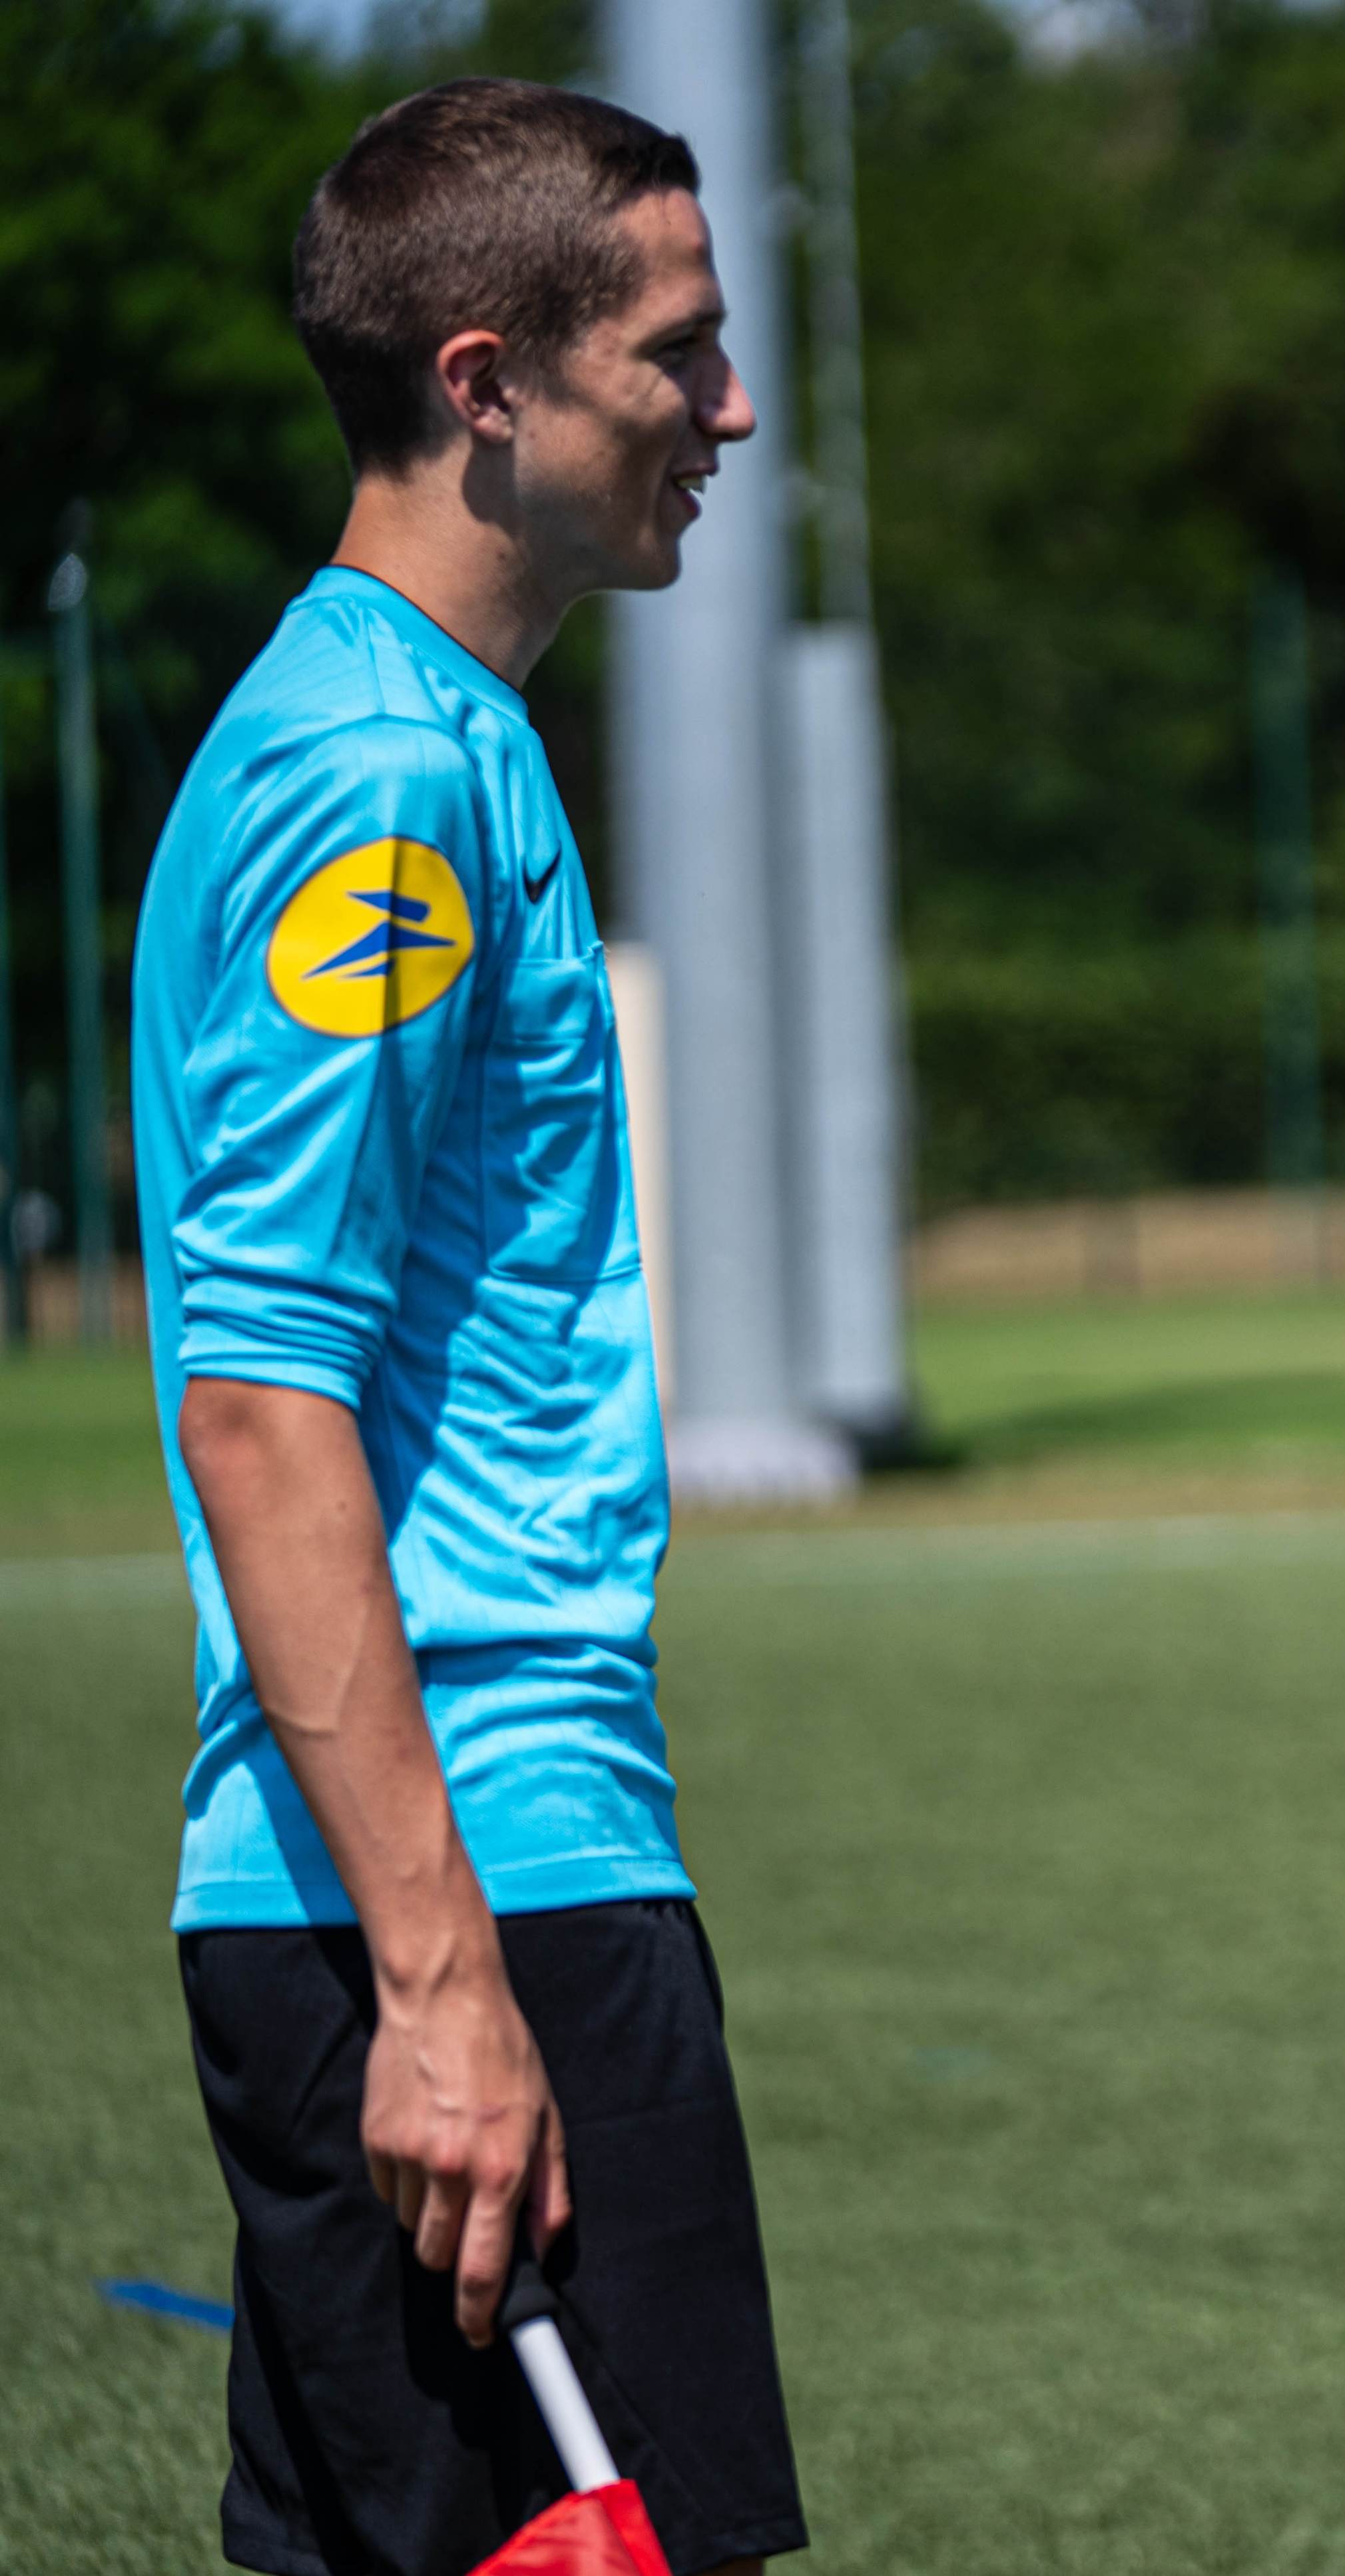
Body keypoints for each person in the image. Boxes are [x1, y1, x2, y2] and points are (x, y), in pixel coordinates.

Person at [132, 79, 804, 2576]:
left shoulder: (434, 736)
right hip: (459, 1884)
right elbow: (263, 1405)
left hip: (437, 1871)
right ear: (490, 378)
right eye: (685, 353)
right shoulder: (382, 775)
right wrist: (441, 1979)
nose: (730, 413)